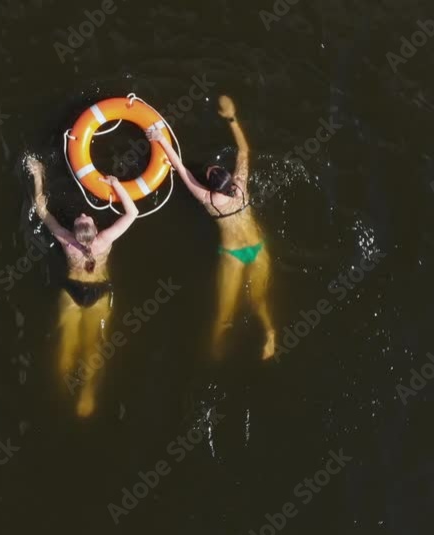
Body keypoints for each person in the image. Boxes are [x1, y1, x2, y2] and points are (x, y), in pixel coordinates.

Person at [148, 95, 275, 359]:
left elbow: (181, 169)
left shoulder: (208, 199)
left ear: (210, 185)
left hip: (232, 255)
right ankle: (270, 332)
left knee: (224, 313)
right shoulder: (240, 186)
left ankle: (215, 350)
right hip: (257, 247)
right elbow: (244, 151)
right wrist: (231, 117)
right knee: (260, 300)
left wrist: (159, 138)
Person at [25, 156, 139, 417]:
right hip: (99, 292)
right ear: (94, 228)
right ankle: (86, 395)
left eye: (80, 218)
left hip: (71, 290)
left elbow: (41, 210)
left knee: (67, 340)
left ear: (75, 232)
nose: (83, 214)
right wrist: (115, 183)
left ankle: (59, 388)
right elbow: (132, 213)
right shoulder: (104, 240)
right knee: (95, 348)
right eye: (85, 218)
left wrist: (38, 175)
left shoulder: (66, 241)